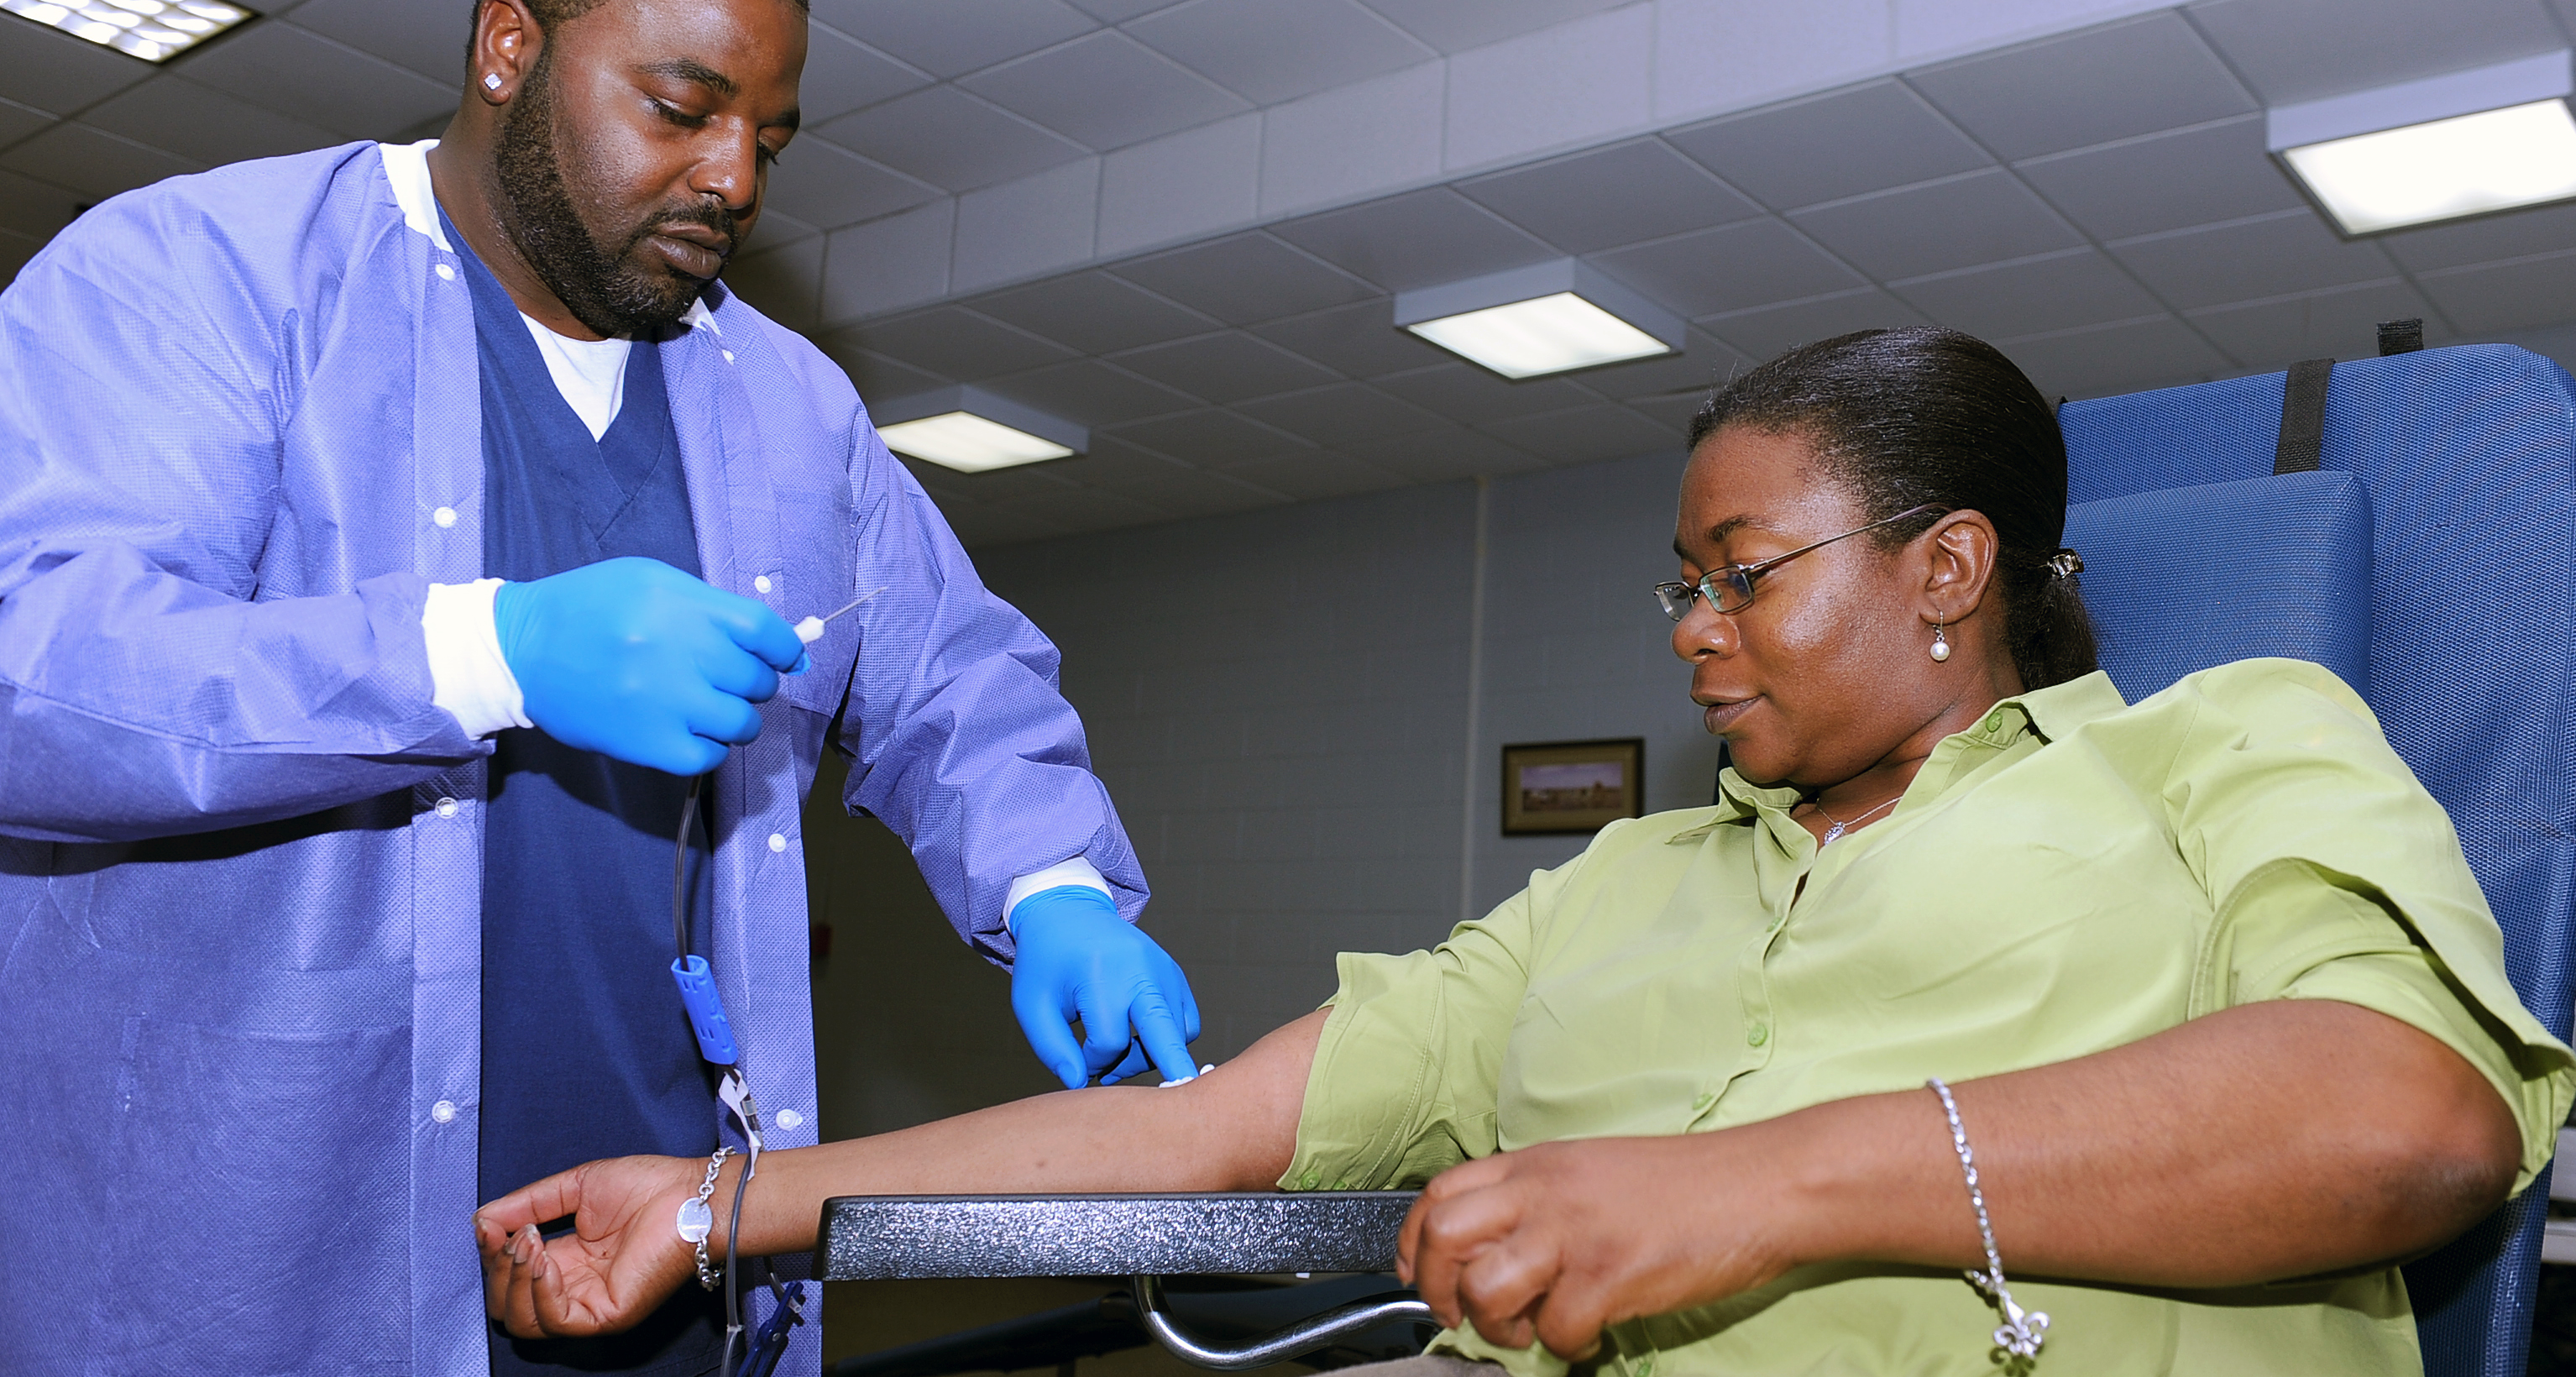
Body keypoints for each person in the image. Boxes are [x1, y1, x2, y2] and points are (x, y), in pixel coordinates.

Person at [474, 327, 2573, 1376]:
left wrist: (1745, 1194)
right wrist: (725, 1201)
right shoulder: (1621, 886)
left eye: (1742, 579)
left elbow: (2409, 1120)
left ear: (1949, 573)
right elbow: (1209, 1133)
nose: (1689, 632)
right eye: (1678, 585)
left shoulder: (2230, 752)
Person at [0, 0, 1198, 1375]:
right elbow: (35, 663)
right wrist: (483, 654)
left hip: (662, 1259)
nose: (735, 180)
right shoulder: (203, 279)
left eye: (767, 135)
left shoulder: (784, 408)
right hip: (262, 1267)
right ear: (509, 50)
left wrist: (1054, 896)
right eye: (682, 110)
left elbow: (949, 678)